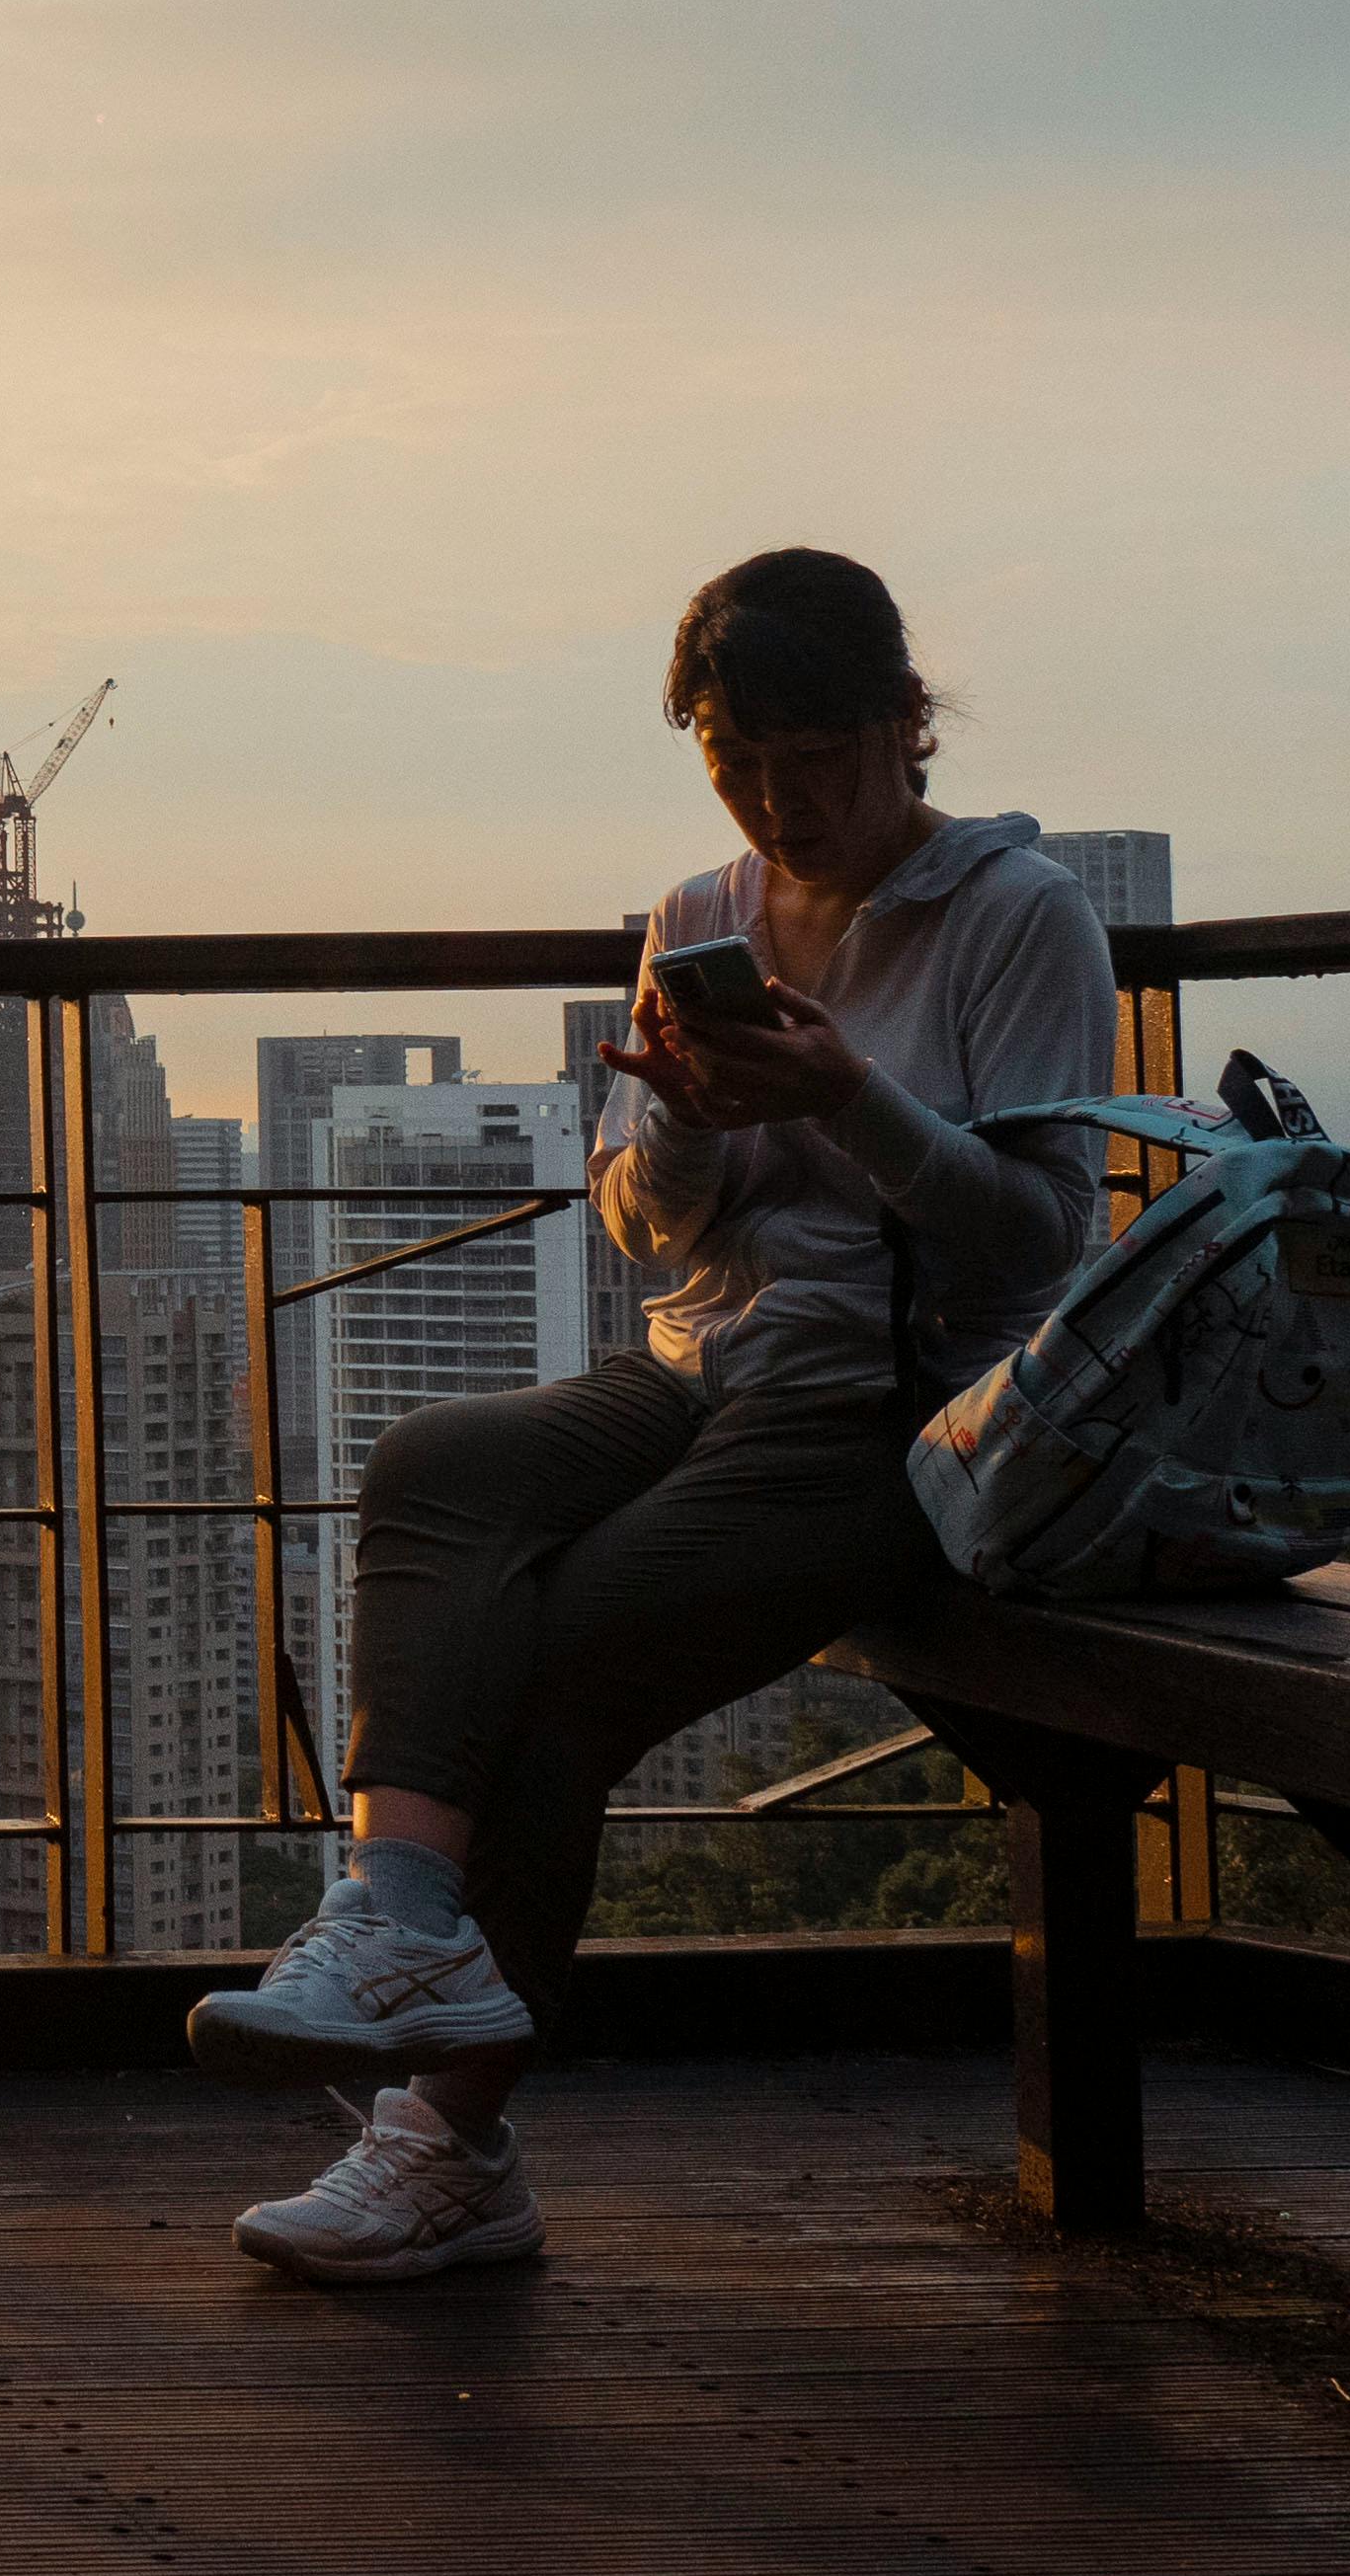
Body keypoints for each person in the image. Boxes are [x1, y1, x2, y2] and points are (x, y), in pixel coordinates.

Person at [186, 545, 1111, 2284]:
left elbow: (1041, 1233)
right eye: (734, 764)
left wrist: (852, 1104)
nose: (779, 803)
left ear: (907, 724)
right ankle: (392, 1924)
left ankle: (451, 2140)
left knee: (563, 1651)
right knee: (432, 1466)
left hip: (895, 1407)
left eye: (815, 759)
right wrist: (685, 1121)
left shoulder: (1015, 915)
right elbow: (643, 1225)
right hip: (704, 1365)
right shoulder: (699, 919)